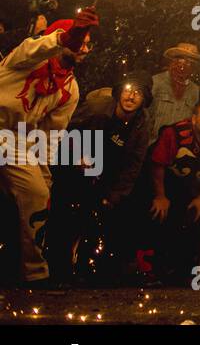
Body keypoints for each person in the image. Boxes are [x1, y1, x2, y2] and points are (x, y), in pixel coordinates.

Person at [0, 7, 97, 286]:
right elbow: (35, 48)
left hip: (16, 141)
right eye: (82, 42)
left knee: (38, 193)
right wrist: (67, 37)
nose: (85, 49)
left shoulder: (71, 88)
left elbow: (48, 137)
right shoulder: (26, 58)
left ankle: (35, 274)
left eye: (88, 43)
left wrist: (44, 178)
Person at [47, 71, 152, 283]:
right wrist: (76, 156)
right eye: (128, 90)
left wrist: (114, 195)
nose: (131, 97)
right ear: (119, 93)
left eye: (138, 93)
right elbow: (60, 130)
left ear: (143, 100)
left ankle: (92, 271)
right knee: (65, 219)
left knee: (101, 220)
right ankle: (57, 270)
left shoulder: (140, 125)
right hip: (71, 168)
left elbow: (134, 165)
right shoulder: (96, 110)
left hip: (106, 176)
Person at [146, 94, 200, 284]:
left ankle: (191, 275)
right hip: (165, 181)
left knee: (198, 221)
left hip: (194, 186)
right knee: (160, 216)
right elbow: (157, 165)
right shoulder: (174, 133)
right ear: (194, 119)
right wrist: (160, 196)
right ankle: (153, 273)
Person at [148, 42, 200, 142]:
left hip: (180, 149)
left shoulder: (194, 90)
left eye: (189, 62)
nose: (182, 65)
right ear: (173, 60)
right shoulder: (156, 82)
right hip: (154, 146)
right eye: (180, 59)